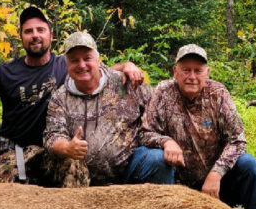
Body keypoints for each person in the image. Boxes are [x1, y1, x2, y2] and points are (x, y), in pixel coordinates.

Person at [0, 6, 143, 183]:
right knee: (13, 184)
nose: (35, 35)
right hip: (16, 149)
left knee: (75, 170)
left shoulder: (66, 65)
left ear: (50, 35)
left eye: (40, 30)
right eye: (28, 31)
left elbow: (96, 71)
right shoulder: (6, 72)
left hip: (55, 148)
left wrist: (126, 66)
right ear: (21, 37)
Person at [141, 44, 256, 209]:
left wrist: (217, 172)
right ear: (175, 71)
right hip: (177, 184)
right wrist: (166, 142)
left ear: (207, 73)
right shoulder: (163, 92)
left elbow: (238, 140)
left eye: (198, 71)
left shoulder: (218, 94)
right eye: (186, 70)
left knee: (249, 164)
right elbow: (145, 133)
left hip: (217, 184)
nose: (192, 77)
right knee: (155, 159)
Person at [43, 32, 174, 187]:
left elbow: (159, 110)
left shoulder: (125, 82)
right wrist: (67, 147)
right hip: (84, 179)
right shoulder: (60, 98)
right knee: (64, 163)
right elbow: (52, 136)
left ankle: (164, 202)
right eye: (74, 60)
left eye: (87, 58)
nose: (82, 65)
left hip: (130, 171)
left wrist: (168, 142)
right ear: (67, 65)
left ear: (98, 60)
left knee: (158, 159)